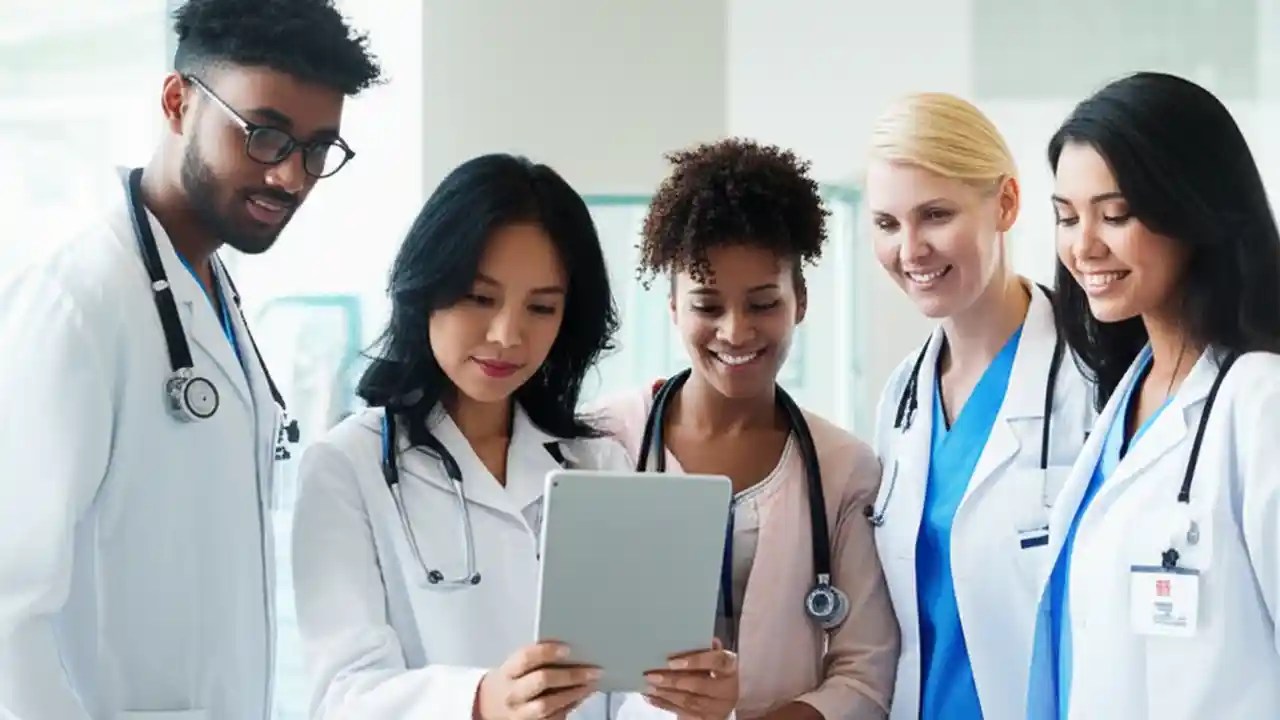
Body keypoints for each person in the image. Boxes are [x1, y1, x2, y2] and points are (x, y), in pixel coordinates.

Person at [0, 1, 381, 717]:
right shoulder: (76, 301)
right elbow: (7, 612)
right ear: (178, 102)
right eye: (265, 136)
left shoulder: (209, 289)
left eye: (317, 150)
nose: (291, 178)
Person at [291, 153, 739, 720]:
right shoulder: (346, 467)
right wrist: (479, 702)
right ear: (425, 288)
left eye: (541, 307)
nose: (507, 335)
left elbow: (628, 696)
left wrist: (688, 704)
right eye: (480, 298)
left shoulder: (597, 462)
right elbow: (342, 695)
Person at [592, 138, 898, 720]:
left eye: (762, 304)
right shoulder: (606, 441)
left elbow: (864, 675)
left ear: (799, 301)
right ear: (674, 307)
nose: (735, 332)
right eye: (708, 305)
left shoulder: (843, 469)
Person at [1023, 71, 1280, 720]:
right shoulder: (1123, 394)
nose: (1083, 247)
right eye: (1066, 217)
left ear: (1192, 210)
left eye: (1115, 215)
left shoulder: (1260, 402)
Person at [861, 93, 1095, 720]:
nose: (910, 250)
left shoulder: (1093, 382)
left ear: (1007, 204)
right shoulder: (900, 399)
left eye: (934, 215)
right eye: (886, 224)